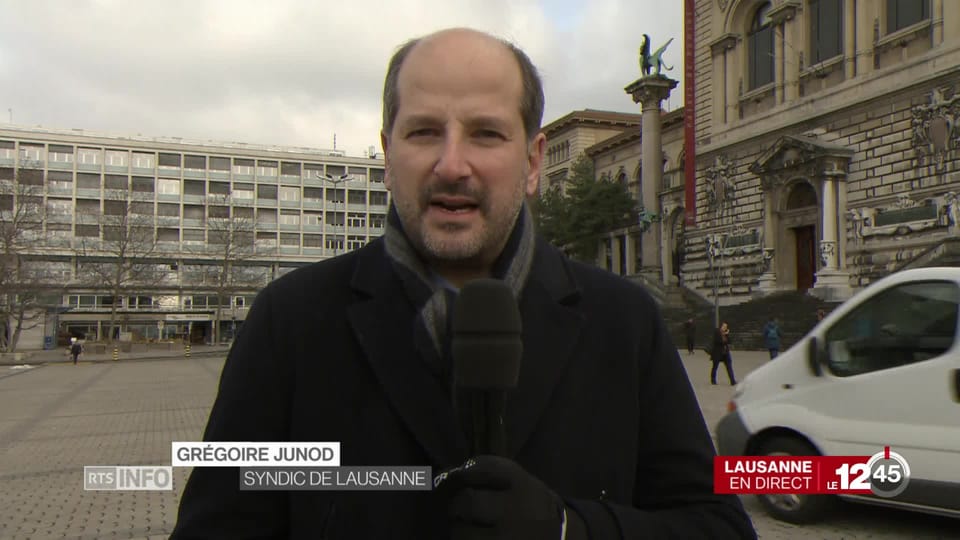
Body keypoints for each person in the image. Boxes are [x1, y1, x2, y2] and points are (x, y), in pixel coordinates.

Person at [171, 28, 755, 539]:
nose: (452, 164)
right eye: (424, 132)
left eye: (485, 134)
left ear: (532, 162)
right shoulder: (291, 321)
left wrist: (568, 529)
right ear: (387, 153)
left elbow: (715, 527)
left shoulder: (624, 322)